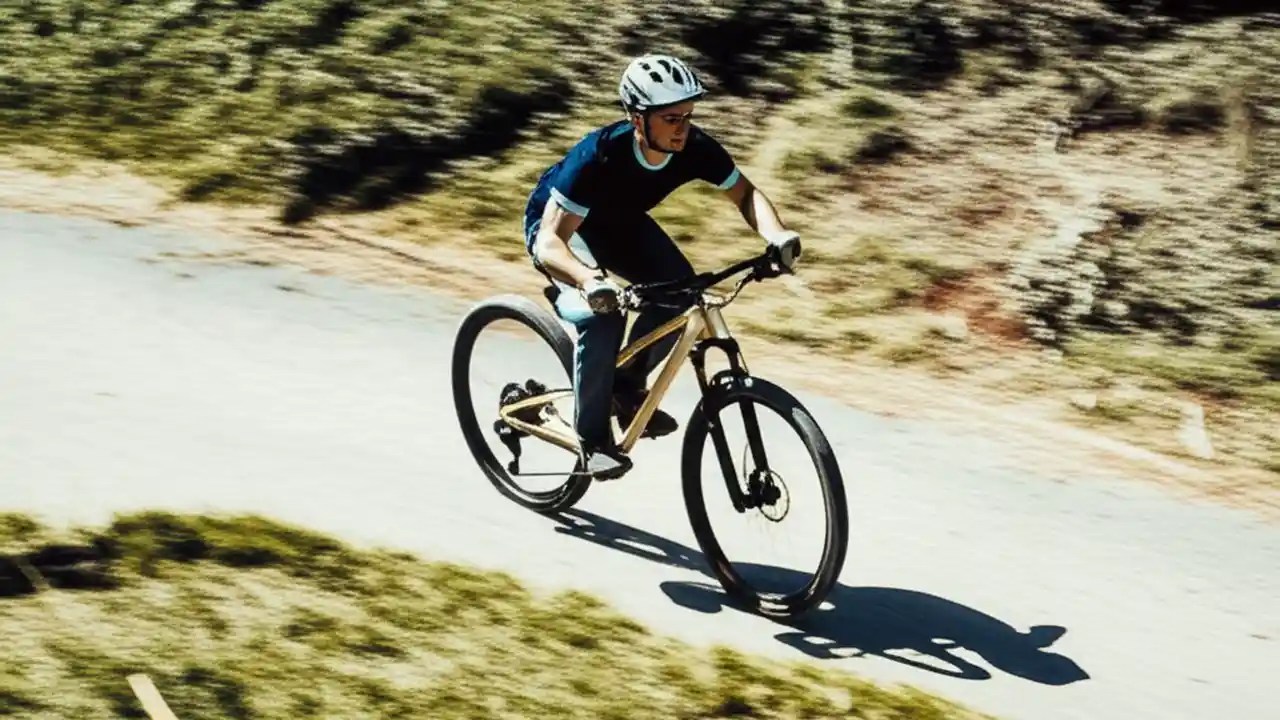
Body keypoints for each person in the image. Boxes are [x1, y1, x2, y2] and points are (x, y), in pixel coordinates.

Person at [521, 53, 802, 480]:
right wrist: (592, 282)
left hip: (620, 224)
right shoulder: (596, 158)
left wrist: (777, 236)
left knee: (681, 292)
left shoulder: (695, 148)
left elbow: (746, 195)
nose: (683, 128)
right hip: (562, 228)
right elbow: (550, 245)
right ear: (638, 119)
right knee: (603, 317)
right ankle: (593, 441)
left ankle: (626, 386)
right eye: (671, 118)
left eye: (688, 115)